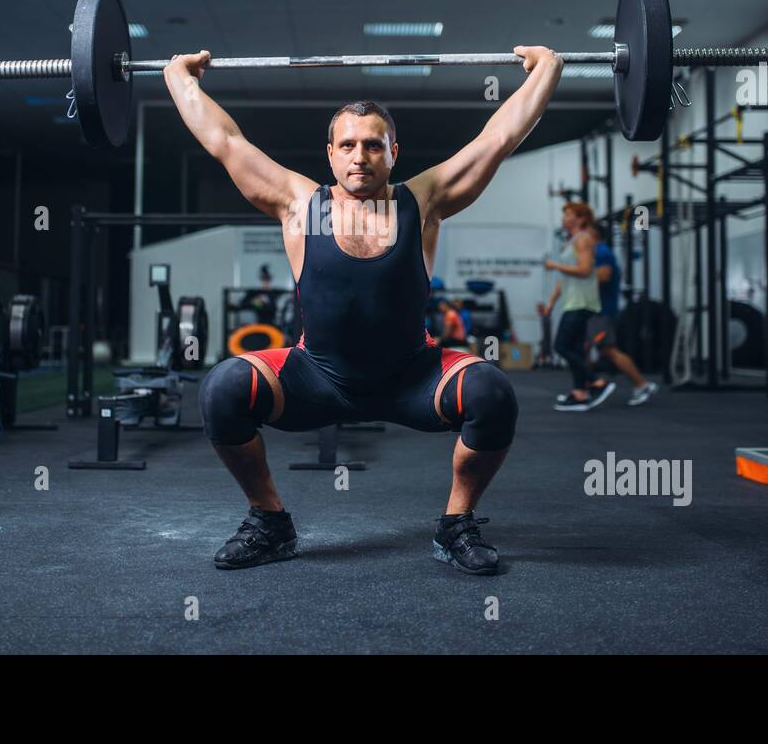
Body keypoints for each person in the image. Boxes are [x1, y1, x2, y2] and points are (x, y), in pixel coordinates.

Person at [164, 44, 565, 575]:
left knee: (492, 393)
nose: (360, 157)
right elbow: (224, 141)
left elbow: (498, 137)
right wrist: (178, 77)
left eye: (373, 145)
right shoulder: (298, 203)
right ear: (329, 152)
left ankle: (456, 524)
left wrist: (550, 71)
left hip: (412, 377)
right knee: (222, 389)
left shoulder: (424, 200)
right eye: (347, 145)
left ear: (393, 151)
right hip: (317, 377)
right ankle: (270, 521)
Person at [543, 201, 615, 411]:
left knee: (561, 346)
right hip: (573, 301)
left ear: (581, 219)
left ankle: (596, 381)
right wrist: (551, 302)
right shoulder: (572, 240)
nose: (564, 219)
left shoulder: (583, 239)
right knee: (574, 348)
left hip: (582, 302)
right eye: (564, 215)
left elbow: (584, 270)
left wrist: (554, 265)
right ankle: (580, 393)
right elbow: (565, 277)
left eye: (569, 215)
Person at [589, 227, 659, 406]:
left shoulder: (601, 251)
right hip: (598, 311)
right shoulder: (597, 252)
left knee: (608, 350)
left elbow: (603, 276)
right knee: (591, 349)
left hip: (603, 312)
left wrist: (578, 276)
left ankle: (642, 384)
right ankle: (587, 387)